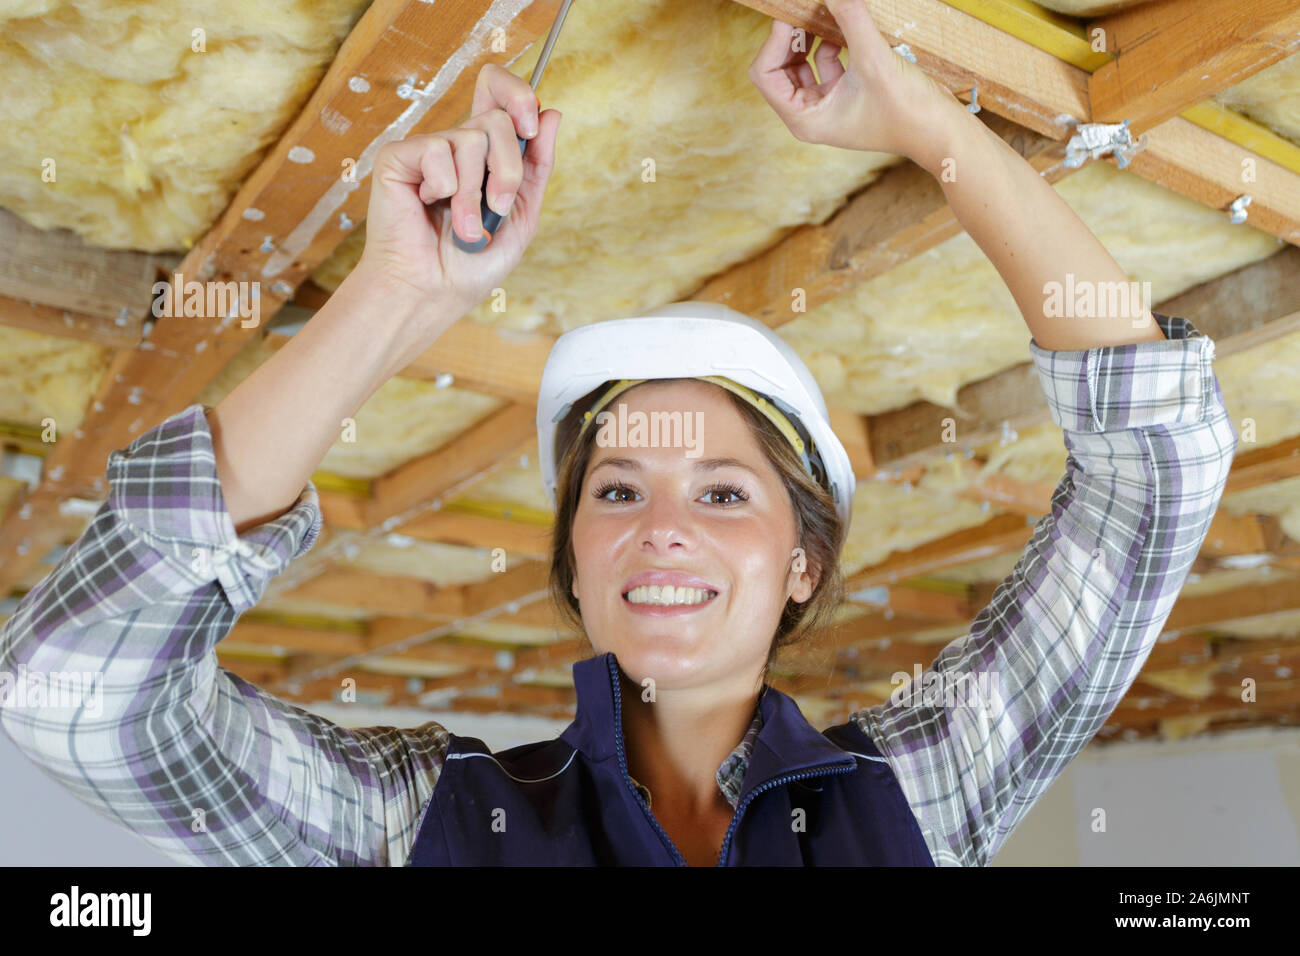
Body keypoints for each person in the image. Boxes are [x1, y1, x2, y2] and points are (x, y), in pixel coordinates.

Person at [0, 0, 1235, 866]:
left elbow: (1157, 467)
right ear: (575, 563)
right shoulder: (421, 825)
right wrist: (396, 301)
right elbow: (72, 692)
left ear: (802, 563)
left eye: (723, 495)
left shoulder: (916, 794)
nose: (658, 531)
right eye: (616, 491)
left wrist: (936, 127)